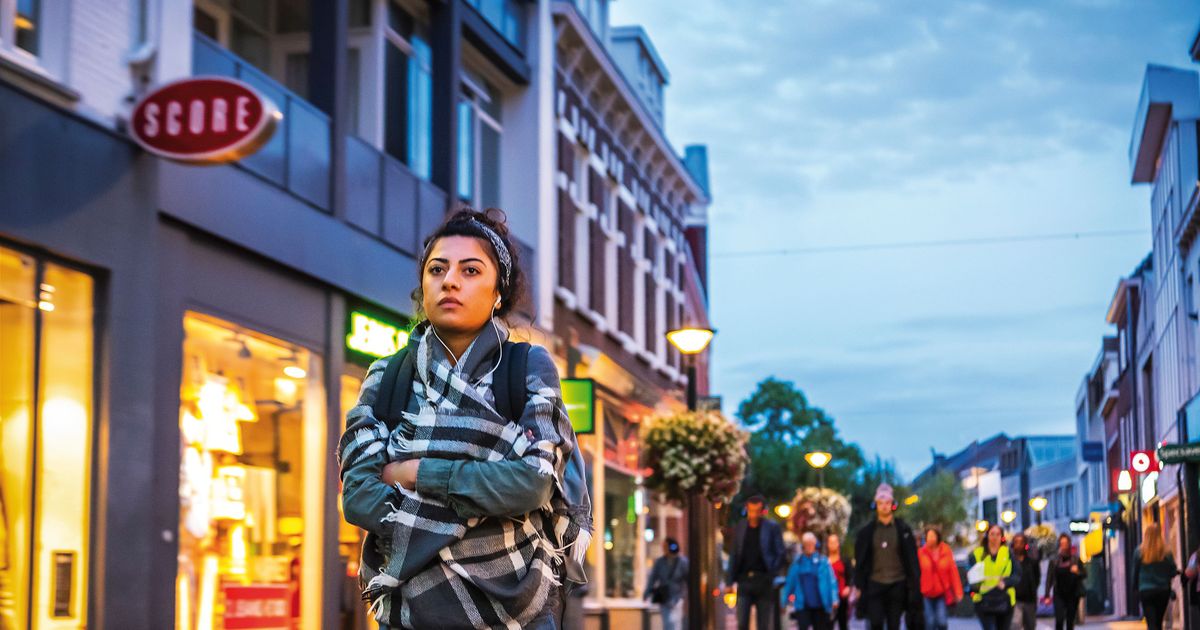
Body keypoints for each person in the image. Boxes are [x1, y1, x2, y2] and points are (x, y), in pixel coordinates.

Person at [338, 208, 593, 629]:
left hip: (518, 613)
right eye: (437, 269)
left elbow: (532, 483)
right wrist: (486, 486)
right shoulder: (386, 376)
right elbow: (360, 497)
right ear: (423, 285)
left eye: (470, 270)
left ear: (498, 292)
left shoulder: (528, 367)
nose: (450, 280)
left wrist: (416, 471)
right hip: (410, 616)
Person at [853, 483, 923, 630]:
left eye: (887, 502)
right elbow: (861, 560)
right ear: (875, 505)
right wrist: (859, 585)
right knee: (876, 623)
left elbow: (912, 559)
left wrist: (914, 585)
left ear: (893, 504)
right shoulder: (866, 532)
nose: (884, 506)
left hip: (897, 584)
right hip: (874, 584)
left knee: (894, 624)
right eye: (880, 503)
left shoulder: (903, 529)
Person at [727, 495, 787, 630]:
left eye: (757, 511)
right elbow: (734, 555)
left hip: (764, 581)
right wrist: (729, 582)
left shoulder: (772, 528)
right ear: (747, 509)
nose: (753, 514)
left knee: (764, 624)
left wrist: (772, 573)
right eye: (751, 510)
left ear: (762, 511)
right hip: (744, 580)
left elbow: (781, 553)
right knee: (742, 622)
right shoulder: (741, 527)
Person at [784, 532, 839, 630]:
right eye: (806, 544)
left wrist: (834, 599)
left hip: (821, 605)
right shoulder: (798, 563)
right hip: (803, 605)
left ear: (815, 545)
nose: (809, 546)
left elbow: (832, 582)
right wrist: (783, 602)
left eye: (811, 544)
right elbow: (789, 583)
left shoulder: (823, 562)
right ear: (803, 545)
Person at [967, 524, 1014, 630]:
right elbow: (972, 580)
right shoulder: (976, 554)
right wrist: (979, 588)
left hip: (1004, 600)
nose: (995, 537)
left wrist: (1006, 583)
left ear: (1002, 537)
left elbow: (1017, 574)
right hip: (984, 600)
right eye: (992, 534)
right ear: (987, 536)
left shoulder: (1008, 553)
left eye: (998, 534)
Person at [1133, 522, 1179, 630]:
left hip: (1146, 590)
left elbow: (1135, 572)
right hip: (1162, 590)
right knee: (1159, 621)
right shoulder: (1166, 552)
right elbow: (1172, 571)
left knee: (1151, 622)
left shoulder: (1139, 552)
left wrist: (1135, 589)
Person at [917, 526, 962, 630]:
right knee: (930, 622)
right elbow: (917, 573)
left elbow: (953, 571)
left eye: (933, 535)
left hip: (942, 591)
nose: (931, 538)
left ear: (938, 537)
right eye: (929, 536)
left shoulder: (946, 551)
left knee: (942, 621)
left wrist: (958, 591)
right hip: (926, 592)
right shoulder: (921, 553)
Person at [1044, 534, 1086, 630]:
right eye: (1061, 543)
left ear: (1069, 544)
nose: (1064, 546)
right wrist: (1047, 595)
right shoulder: (1054, 560)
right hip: (1059, 594)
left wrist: (1077, 572)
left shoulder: (1075, 559)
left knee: (1070, 621)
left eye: (1065, 543)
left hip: (1073, 594)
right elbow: (1049, 578)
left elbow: (1084, 574)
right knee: (1059, 619)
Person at [645, 539, 688, 630]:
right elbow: (653, 578)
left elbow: (688, 578)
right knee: (667, 622)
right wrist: (647, 592)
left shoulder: (682, 562)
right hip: (664, 596)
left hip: (677, 596)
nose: (664, 549)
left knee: (676, 622)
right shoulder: (660, 562)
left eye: (665, 547)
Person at [1009, 533, 1041, 630]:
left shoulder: (1032, 562)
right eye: (1016, 542)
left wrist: (1032, 589)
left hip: (1029, 599)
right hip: (1014, 600)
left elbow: (1037, 578)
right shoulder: (1009, 561)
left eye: (1021, 542)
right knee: (1015, 626)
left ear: (1025, 544)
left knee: (1030, 626)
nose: (1019, 545)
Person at [826, 533, 853, 630]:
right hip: (828, 598)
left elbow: (850, 576)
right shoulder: (824, 561)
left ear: (838, 543)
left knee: (843, 623)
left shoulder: (845, 560)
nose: (833, 544)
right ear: (827, 544)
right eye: (830, 542)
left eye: (835, 542)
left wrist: (848, 587)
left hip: (842, 597)